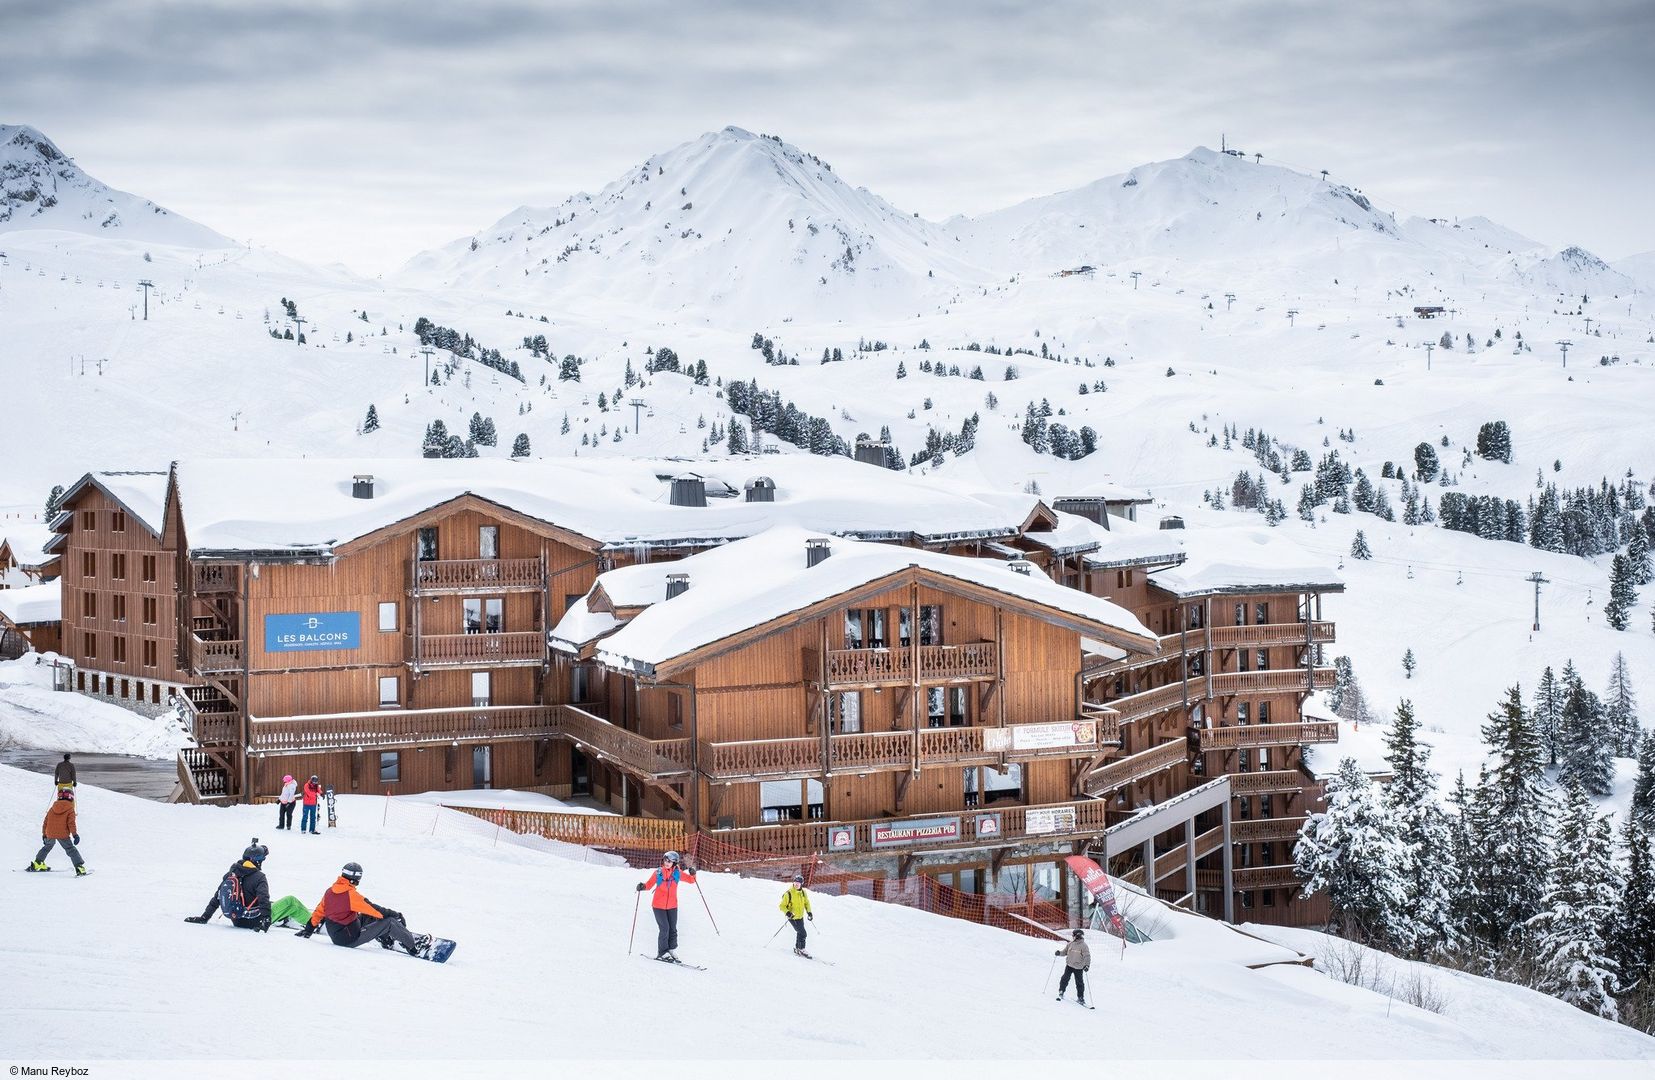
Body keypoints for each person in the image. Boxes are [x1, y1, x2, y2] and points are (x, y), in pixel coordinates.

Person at [298, 862, 431, 958]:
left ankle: (386, 940)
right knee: (389, 921)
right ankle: (414, 948)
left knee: (369, 915)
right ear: (355, 879)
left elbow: (319, 912)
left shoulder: (330, 891)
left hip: (339, 934)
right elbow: (374, 909)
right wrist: (396, 915)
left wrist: (308, 929)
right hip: (348, 939)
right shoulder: (350, 895)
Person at [185, 842, 273, 931]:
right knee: (286, 902)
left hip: (236, 920)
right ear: (256, 861)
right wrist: (266, 920)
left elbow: (217, 897)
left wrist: (204, 917)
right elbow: (264, 899)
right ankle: (282, 920)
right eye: (262, 859)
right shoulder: (260, 877)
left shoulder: (231, 874)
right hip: (255, 921)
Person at [636, 849, 697, 962]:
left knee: (673, 929)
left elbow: (691, 880)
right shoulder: (658, 872)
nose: (667, 862)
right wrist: (642, 887)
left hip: (672, 906)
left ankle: (671, 949)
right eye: (665, 860)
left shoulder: (677, 873)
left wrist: (693, 873)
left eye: (670, 861)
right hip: (658, 906)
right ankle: (662, 952)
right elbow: (649, 885)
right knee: (665, 928)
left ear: (674, 863)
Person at [28, 788, 87, 874]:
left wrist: (44, 834)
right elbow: (71, 823)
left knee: (47, 847)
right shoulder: (70, 808)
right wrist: (75, 835)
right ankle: (79, 867)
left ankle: (37, 863)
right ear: (70, 797)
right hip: (62, 834)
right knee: (70, 849)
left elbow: (46, 821)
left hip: (50, 832)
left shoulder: (52, 808)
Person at [779, 873, 813, 956]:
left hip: (800, 916)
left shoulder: (803, 893)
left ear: (802, 884)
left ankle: (798, 948)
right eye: (795, 882)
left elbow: (806, 903)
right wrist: (788, 912)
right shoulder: (789, 893)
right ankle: (802, 949)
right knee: (803, 933)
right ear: (793, 883)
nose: (797, 884)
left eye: (799, 883)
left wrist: (809, 912)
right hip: (792, 917)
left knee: (800, 932)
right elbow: (782, 906)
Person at [1055, 928, 1091, 1005]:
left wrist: (1087, 965)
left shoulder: (1084, 946)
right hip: (1069, 965)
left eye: (1073, 935)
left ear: (1077, 936)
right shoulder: (1070, 944)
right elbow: (1064, 952)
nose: (1072, 936)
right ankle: (1061, 991)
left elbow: (1087, 956)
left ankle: (1080, 998)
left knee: (1079, 983)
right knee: (1065, 978)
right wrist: (1059, 953)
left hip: (1078, 967)